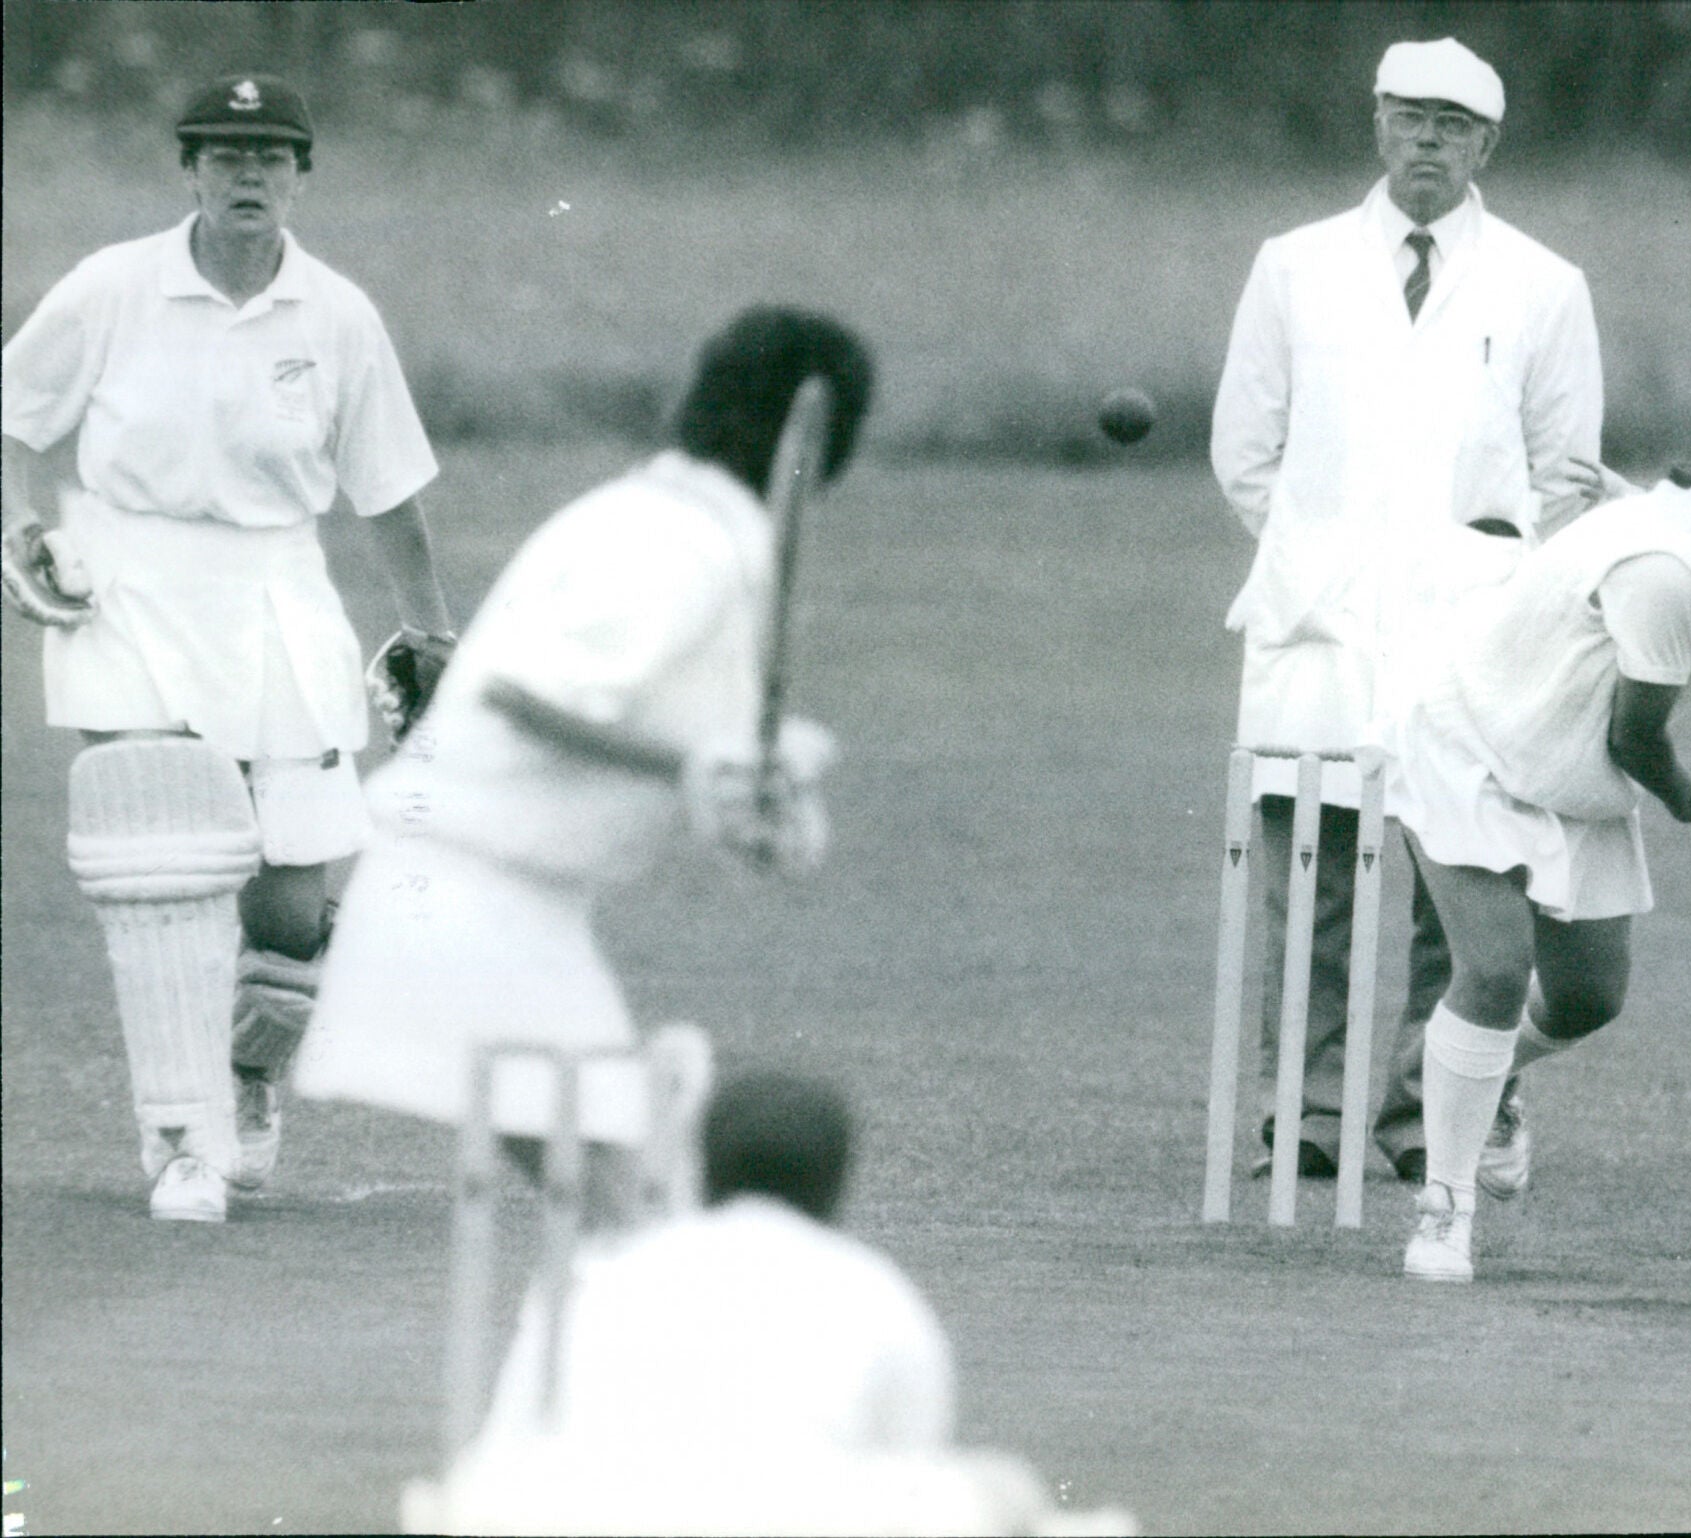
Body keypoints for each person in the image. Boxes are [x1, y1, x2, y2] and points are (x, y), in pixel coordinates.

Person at [0, 73, 455, 1223]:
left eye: (269, 159)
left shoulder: (337, 314)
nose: (245, 176)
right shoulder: (114, 287)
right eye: (221, 156)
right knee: (165, 850)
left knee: (289, 898)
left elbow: (388, 487)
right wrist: (26, 534)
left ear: (301, 176)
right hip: (129, 578)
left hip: (273, 582)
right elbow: (11, 419)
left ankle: (248, 1074)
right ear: (190, 170)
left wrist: (428, 627)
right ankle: (182, 1135)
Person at [295, 307, 872, 1194]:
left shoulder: (677, 525)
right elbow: (523, 699)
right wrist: (695, 769)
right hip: (468, 907)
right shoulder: (675, 542)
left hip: (497, 907)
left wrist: (743, 798)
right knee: (643, 1214)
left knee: (633, 1213)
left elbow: (654, 744)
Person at [1210, 37, 1608, 1185]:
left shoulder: (1543, 282)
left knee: (1459, 889)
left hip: (1473, 641)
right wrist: (1326, 567)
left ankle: (1420, 1113)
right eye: (1406, 118)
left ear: (1486, 144)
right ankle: (1305, 1116)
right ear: (1377, 126)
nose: (1424, 141)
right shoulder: (1294, 264)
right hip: (1319, 628)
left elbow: (1564, 474)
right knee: (1310, 883)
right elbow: (1246, 452)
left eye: (1449, 125)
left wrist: (1469, 586)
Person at [1390, 398, 1691, 1281]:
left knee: (1587, 998)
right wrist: (1687, 794)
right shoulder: (1674, 567)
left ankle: (1487, 1075)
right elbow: (1637, 738)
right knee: (1494, 973)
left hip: (1568, 769)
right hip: (1471, 738)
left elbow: (1666, 539)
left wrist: (1629, 519)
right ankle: (1444, 1211)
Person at [414, 1073, 1133, 1536]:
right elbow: (909, 1450)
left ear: (708, 1166)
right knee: (1008, 1489)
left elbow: (514, 1431)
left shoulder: (605, 1272)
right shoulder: (871, 1289)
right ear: (837, 1183)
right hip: (801, 1514)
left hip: (577, 1512)